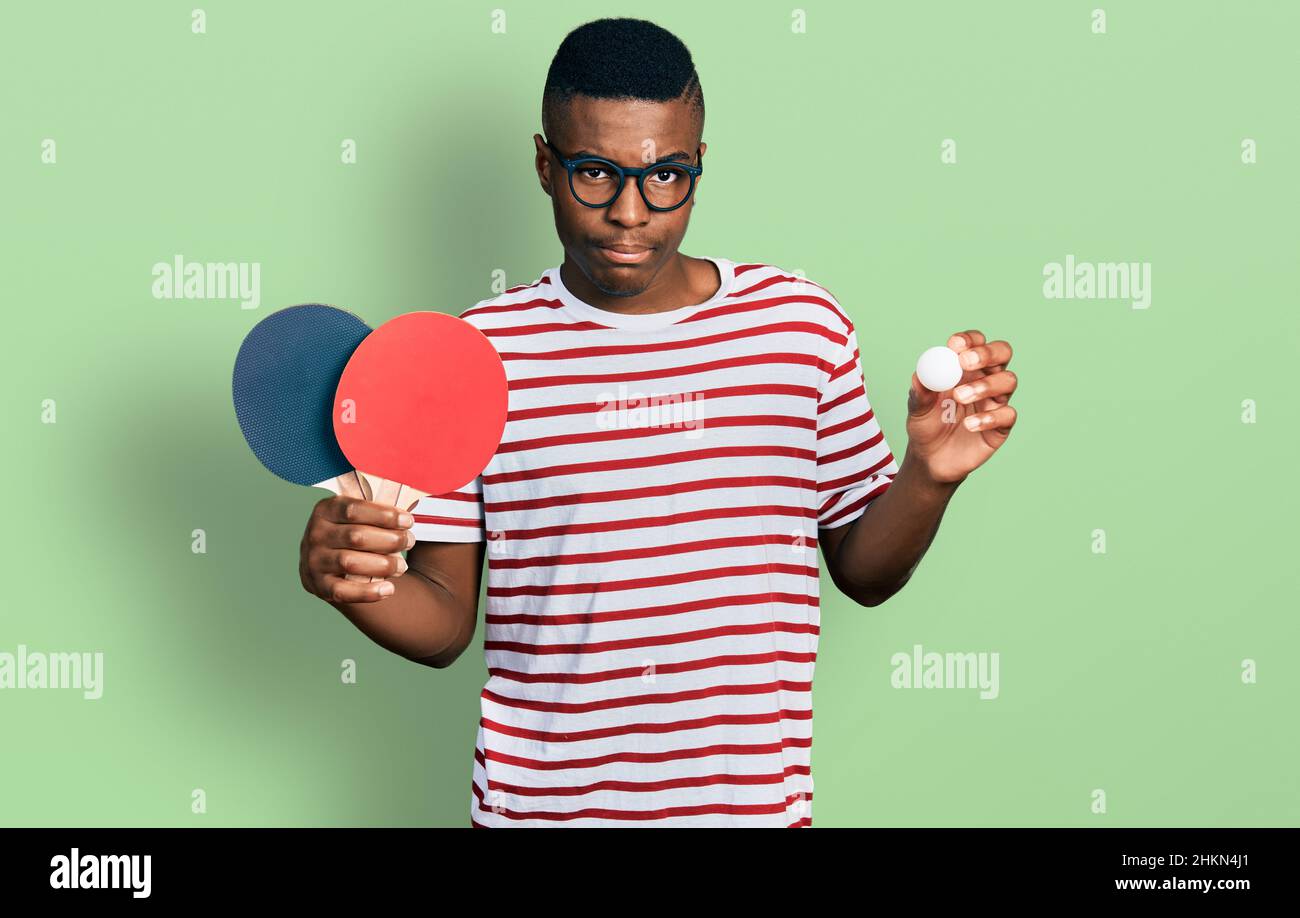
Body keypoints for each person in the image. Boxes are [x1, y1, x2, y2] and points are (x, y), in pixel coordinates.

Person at [298, 17, 1018, 827]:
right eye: (595, 174)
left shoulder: (800, 329)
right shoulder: (476, 355)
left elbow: (864, 572)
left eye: (666, 175)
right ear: (544, 163)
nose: (632, 213)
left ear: (699, 166)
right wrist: (351, 583)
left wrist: (927, 479)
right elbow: (444, 626)